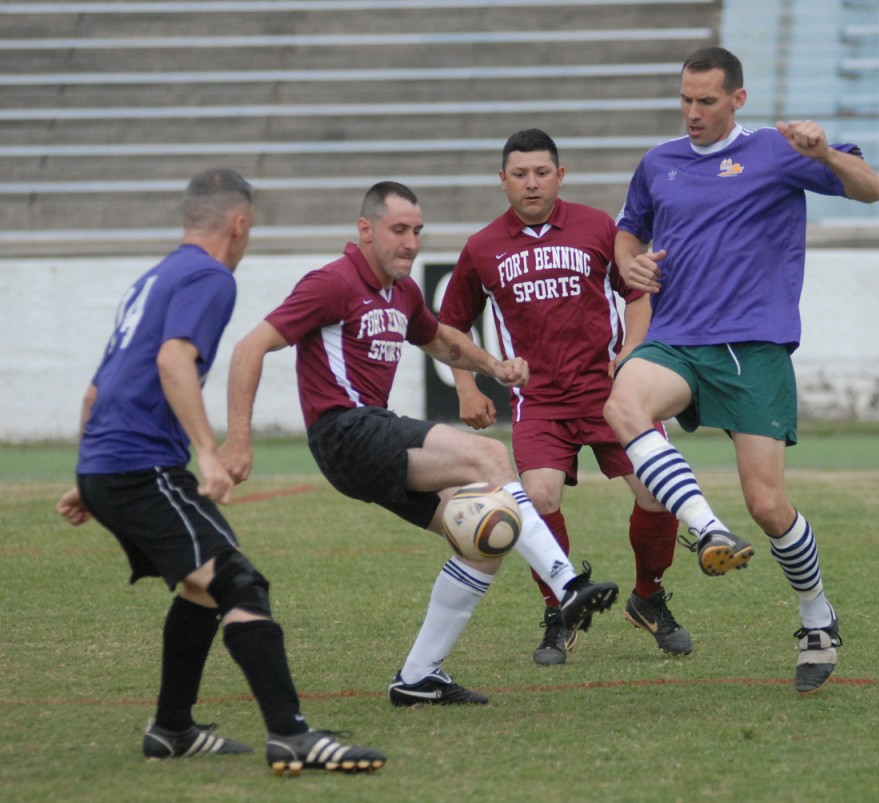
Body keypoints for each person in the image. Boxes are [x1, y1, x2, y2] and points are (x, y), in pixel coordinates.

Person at [221, 180, 620, 706]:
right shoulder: (332, 283)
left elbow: (443, 341)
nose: (410, 242)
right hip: (346, 431)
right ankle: (566, 584)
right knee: (490, 455)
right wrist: (238, 440)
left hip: (369, 441)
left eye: (417, 231)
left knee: (487, 534)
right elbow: (249, 348)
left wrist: (494, 367)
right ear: (365, 230)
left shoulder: (403, 291)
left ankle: (417, 677)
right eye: (398, 230)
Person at [55, 169, 386, 774]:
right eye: (249, 230)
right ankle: (292, 735)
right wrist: (208, 451)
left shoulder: (154, 278)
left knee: (203, 585)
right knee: (238, 581)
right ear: (238, 224)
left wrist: (89, 472)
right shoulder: (211, 277)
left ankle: (172, 729)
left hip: (110, 463)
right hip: (140, 466)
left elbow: (98, 387)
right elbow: (172, 360)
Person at [603, 47, 879, 694]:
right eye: (685, 99)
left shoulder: (777, 150)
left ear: (738, 99)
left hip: (753, 348)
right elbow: (628, 233)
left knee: (768, 504)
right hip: (677, 339)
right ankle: (706, 526)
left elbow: (874, 188)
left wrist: (825, 153)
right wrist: (630, 263)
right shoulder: (658, 162)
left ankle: (817, 616)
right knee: (623, 402)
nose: (693, 111)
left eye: (706, 101)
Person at [439, 129, 689, 666]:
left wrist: (633, 351)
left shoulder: (598, 227)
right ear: (502, 180)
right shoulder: (482, 246)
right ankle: (560, 609)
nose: (531, 183)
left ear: (560, 175)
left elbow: (639, 293)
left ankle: (648, 596)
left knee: (657, 492)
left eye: (541, 172)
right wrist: (466, 387)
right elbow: (452, 324)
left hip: (611, 394)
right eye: (520, 174)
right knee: (540, 497)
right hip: (540, 403)